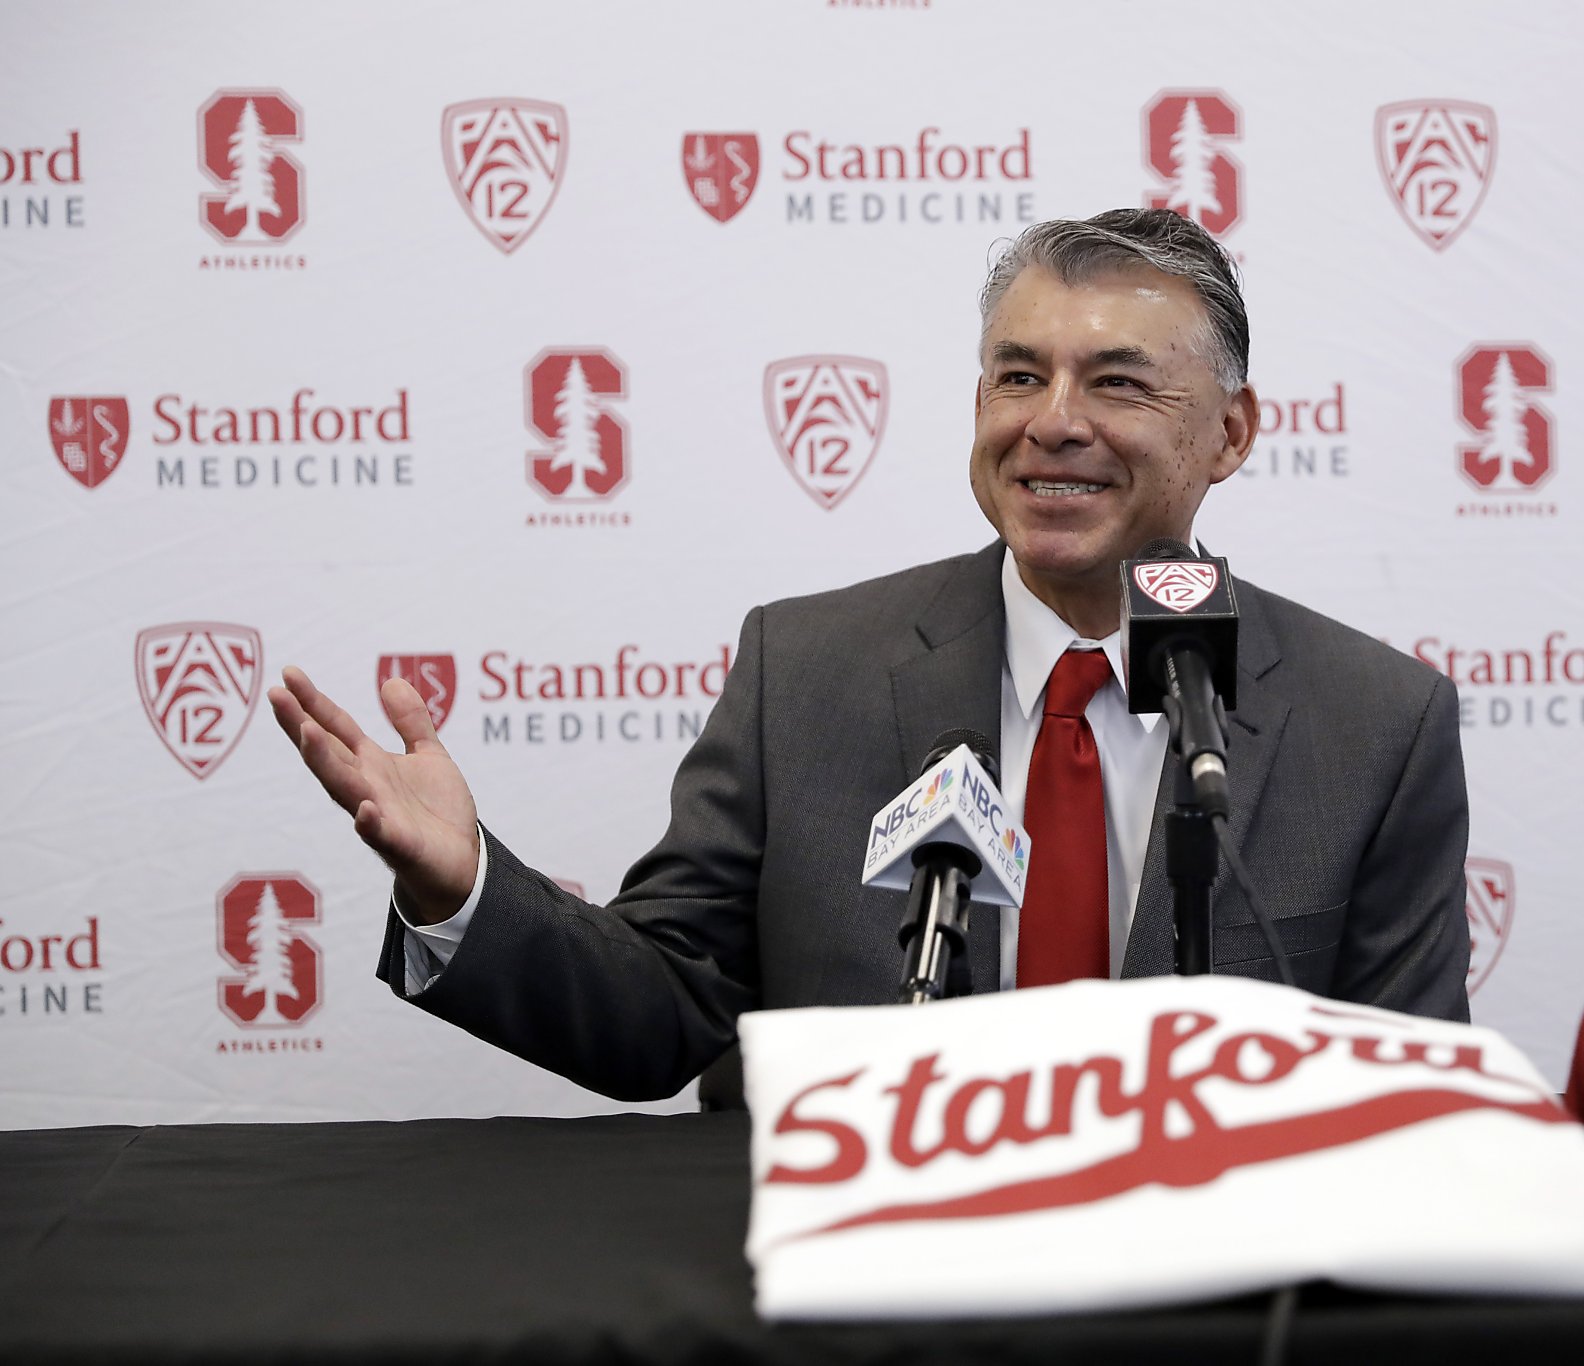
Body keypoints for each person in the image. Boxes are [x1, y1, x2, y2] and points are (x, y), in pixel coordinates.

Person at [268, 208, 1471, 1103]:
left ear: (1229, 433)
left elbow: (1414, 1103)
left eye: (1115, 383)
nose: (1049, 421)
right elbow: (662, 1011)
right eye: (1015, 375)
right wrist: (464, 885)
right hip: (853, 1305)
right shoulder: (806, 668)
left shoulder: (1373, 722)